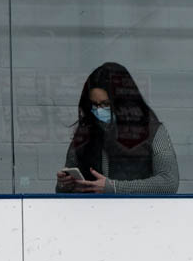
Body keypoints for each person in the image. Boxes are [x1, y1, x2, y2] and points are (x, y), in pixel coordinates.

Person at [55, 61, 179, 194]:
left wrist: (114, 188)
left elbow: (169, 182)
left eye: (105, 104)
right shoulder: (85, 133)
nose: (99, 110)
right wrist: (64, 185)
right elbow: (66, 189)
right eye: (94, 105)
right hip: (93, 212)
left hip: (139, 212)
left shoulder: (152, 132)